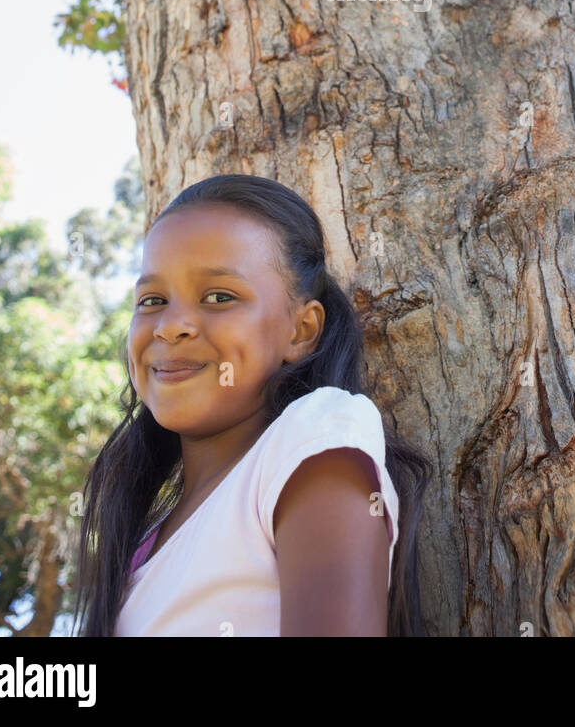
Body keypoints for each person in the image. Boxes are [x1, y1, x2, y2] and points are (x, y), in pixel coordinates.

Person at [72, 173, 432, 636]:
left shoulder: (313, 434)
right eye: (153, 300)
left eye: (219, 297)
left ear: (300, 331)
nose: (170, 326)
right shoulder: (145, 536)